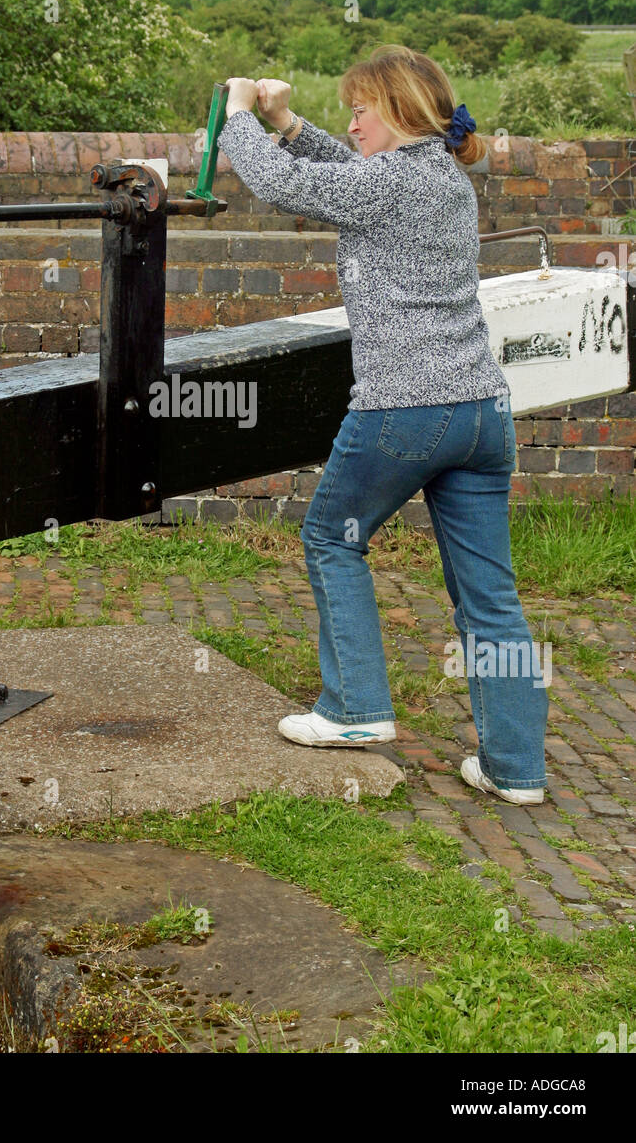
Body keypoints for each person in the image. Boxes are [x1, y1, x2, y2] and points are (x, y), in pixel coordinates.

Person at [216, 45, 548, 806]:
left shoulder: (393, 181)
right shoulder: (441, 178)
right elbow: (342, 173)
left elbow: (283, 186)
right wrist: (286, 121)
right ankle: (516, 768)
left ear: (397, 112)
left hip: (404, 410)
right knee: (490, 599)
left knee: (332, 538)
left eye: (359, 109)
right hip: (481, 417)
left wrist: (238, 117)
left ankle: (356, 710)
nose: (352, 122)